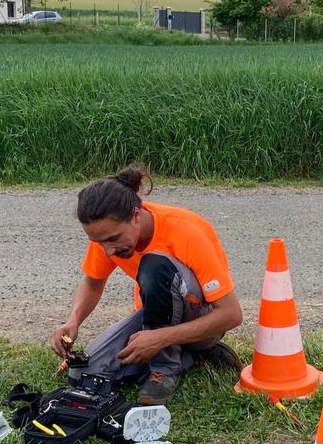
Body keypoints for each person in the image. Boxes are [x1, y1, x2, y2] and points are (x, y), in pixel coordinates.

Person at [51, 165, 243, 405]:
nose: (108, 250)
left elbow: (231, 314)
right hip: (153, 319)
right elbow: (93, 283)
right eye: (98, 242)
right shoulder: (106, 236)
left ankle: (166, 368)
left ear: (136, 215)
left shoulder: (185, 230)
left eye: (112, 239)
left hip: (203, 321)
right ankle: (191, 357)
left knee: (155, 265)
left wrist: (160, 338)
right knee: (83, 375)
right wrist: (73, 321)